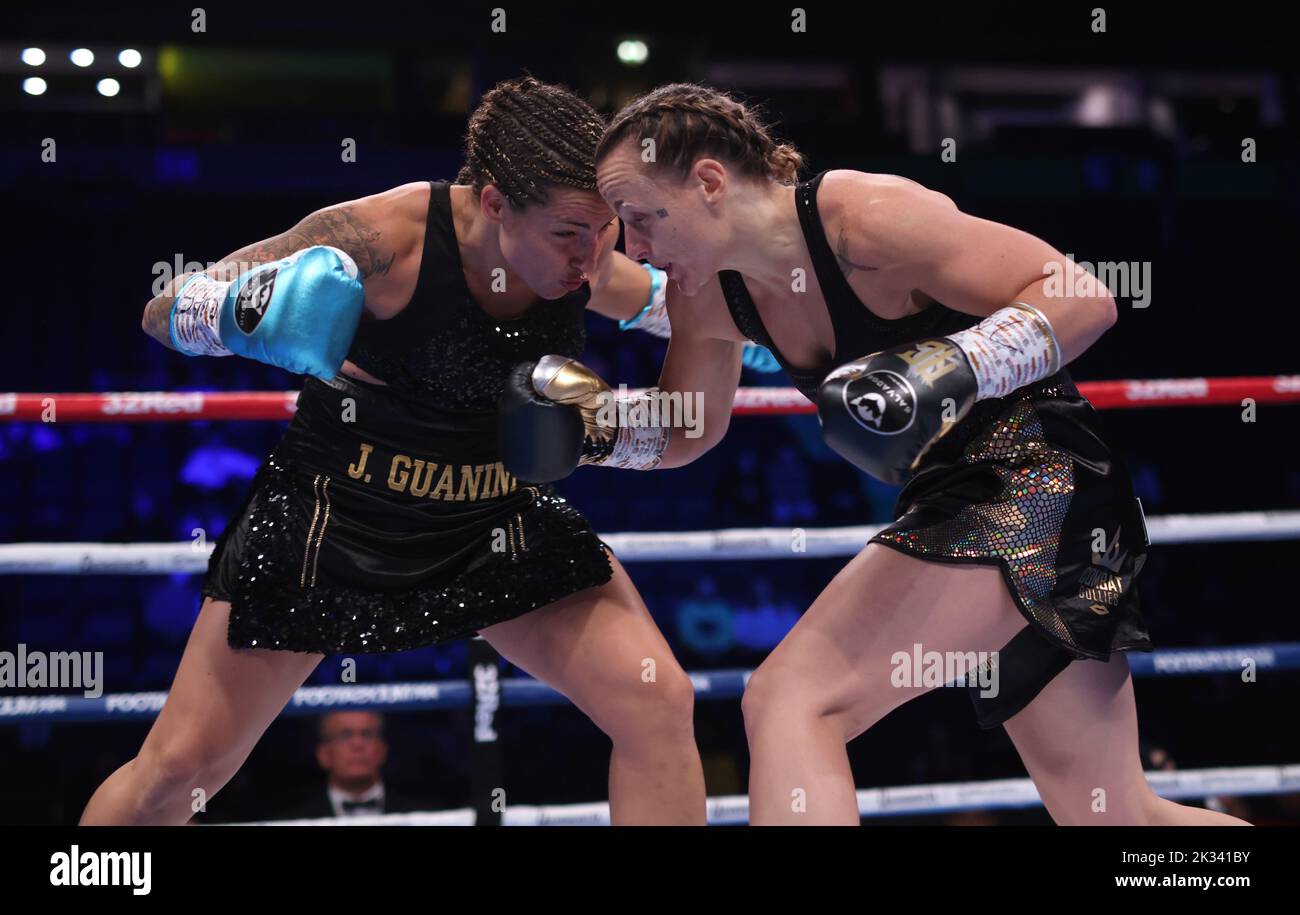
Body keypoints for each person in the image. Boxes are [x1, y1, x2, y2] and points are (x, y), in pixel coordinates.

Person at [501, 82, 1249, 826]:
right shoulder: (710, 296)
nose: (634, 248)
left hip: (1041, 479)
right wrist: (597, 427)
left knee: (792, 698)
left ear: (707, 182)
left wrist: (951, 367)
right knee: (1120, 818)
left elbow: (1084, 296)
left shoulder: (865, 218)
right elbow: (690, 428)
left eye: (639, 218)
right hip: (966, 504)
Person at [80, 76, 706, 826]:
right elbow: (163, 310)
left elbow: (669, 304)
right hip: (335, 524)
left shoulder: (584, 250)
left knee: (658, 701)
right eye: (571, 232)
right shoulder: (381, 237)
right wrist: (248, 312)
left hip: (489, 522)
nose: (592, 255)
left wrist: (761, 326)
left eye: (603, 230)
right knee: (175, 773)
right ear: (496, 200)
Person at [276, 711, 424, 820]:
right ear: (324, 753)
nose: (357, 744)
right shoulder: (293, 821)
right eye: (345, 735)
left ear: (382, 749)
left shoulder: (423, 816)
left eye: (367, 734)